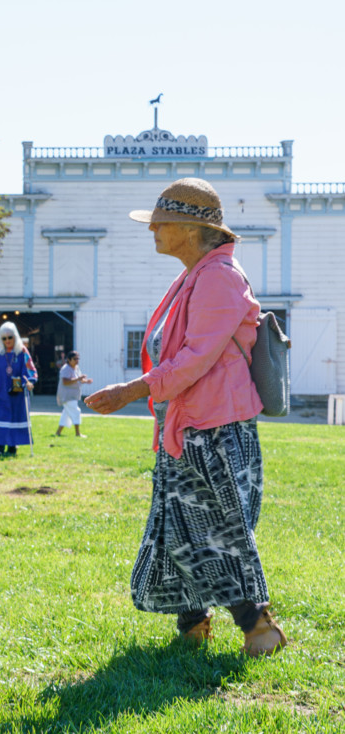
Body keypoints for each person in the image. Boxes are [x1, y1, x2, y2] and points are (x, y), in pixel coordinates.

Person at [84, 178, 286, 657]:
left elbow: (195, 359)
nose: (152, 228)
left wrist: (133, 391)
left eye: (161, 221)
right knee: (178, 526)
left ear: (190, 229)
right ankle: (193, 625)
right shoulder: (197, 274)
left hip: (215, 429)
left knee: (219, 526)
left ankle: (260, 627)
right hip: (190, 427)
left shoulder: (218, 277)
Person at [0, 322, 36, 457]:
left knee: (15, 417)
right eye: (4, 338)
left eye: (10, 337)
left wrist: (30, 382)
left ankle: (12, 447)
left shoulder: (22, 351)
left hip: (18, 392)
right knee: (2, 418)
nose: (7, 341)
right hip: (0, 392)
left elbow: (30, 369)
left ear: (15, 337)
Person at [55, 351, 92, 437]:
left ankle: (58, 432)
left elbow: (78, 379)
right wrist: (78, 378)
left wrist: (86, 381)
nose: (77, 360)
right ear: (68, 359)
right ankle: (78, 433)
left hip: (73, 396)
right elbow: (65, 381)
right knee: (76, 412)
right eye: (75, 359)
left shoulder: (76, 368)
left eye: (78, 358)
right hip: (66, 396)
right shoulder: (65, 368)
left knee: (66, 414)